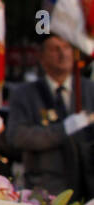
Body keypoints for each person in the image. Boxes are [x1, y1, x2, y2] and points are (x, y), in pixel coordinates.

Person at [6, 34, 94, 196]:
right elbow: (18, 136)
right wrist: (63, 129)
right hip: (46, 192)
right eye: (55, 49)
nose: (63, 54)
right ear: (41, 56)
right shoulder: (26, 94)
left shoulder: (89, 90)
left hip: (87, 190)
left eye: (67, 47)